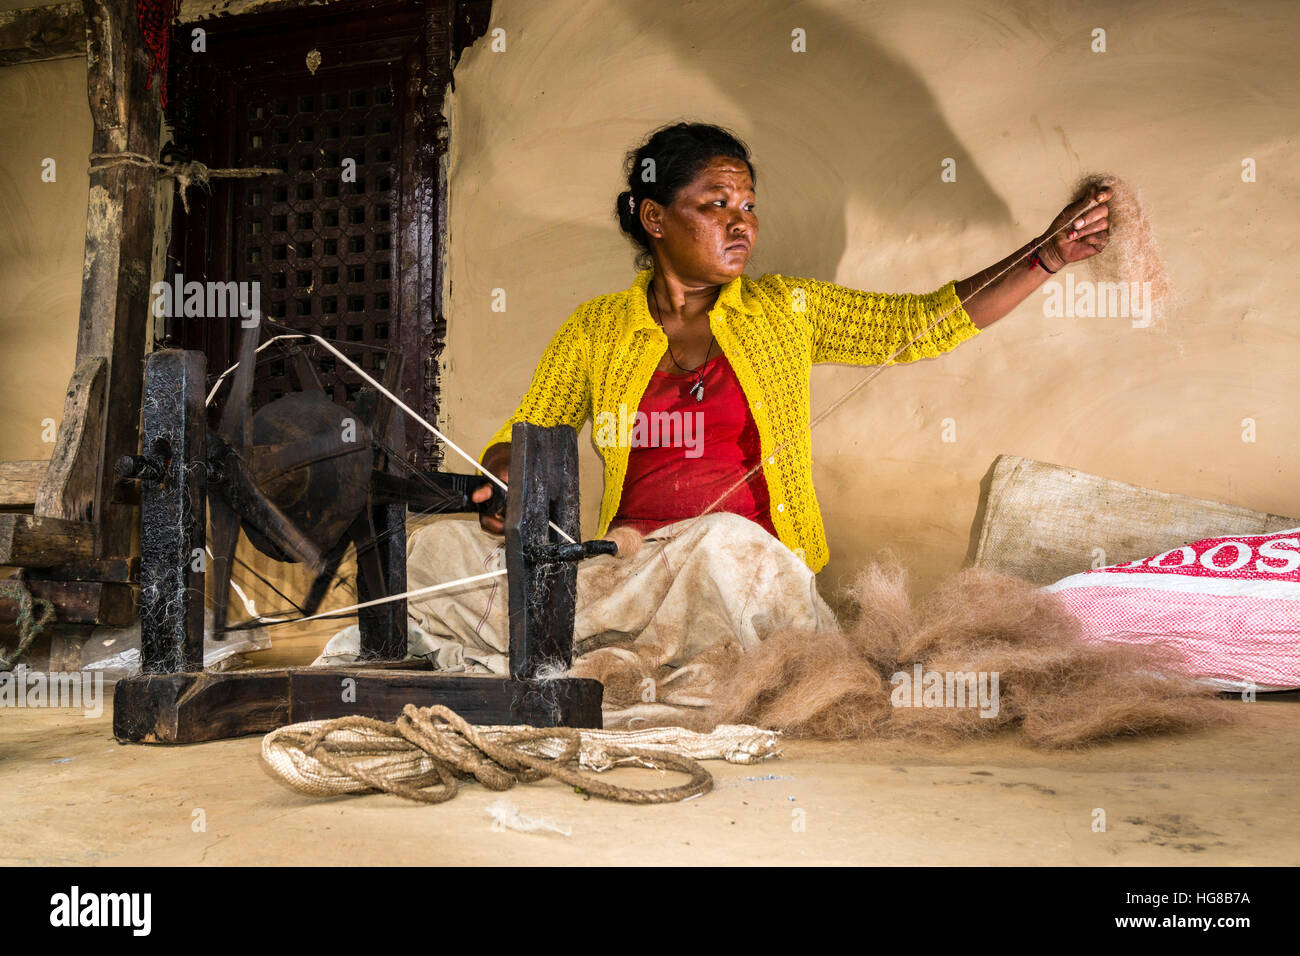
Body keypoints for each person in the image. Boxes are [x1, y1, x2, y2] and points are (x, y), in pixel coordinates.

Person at [322, 122, 1111, 708]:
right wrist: (504, 482)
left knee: (725, 542)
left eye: (748, 205)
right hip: (629, 566)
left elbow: (925, 321)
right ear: (655, 218)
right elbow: (530, 431)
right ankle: (610, 661)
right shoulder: (595, 327)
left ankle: (625, 671)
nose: (742, 223)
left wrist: (1045, 254)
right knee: (430, 555)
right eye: (715, 203)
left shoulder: (786, 309)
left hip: (743, 570)